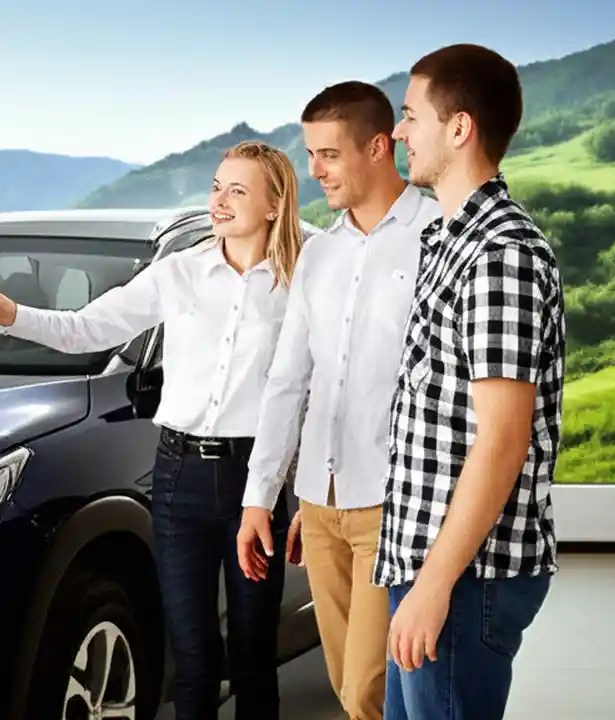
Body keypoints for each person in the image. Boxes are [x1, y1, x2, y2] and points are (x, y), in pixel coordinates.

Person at [0, 140, 303, 720]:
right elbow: (88, 327)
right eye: (216, 187)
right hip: (178, 478)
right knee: (193, 655)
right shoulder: (178, 272)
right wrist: (13, 315)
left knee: (254, 653)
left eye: (238, 190)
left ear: (275, 205)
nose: (221, 202)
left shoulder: (302, 276)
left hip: (256, 480)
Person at [235, 82, 440, 720]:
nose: (314, 170)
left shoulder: (438, 237)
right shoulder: (319, 254)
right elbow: (289, 380)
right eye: (311, 154)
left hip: (396, 503)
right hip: (320, 506)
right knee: (345, 686)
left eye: (328, 154)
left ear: (379, 147)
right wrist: (260, 497)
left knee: (368, 690)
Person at [379, 44, 564, 720]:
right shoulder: (452, 241)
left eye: (409, 116)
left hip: (462, 577)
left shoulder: (500, 256)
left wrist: (433, 584)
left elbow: (502, 440)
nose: (399, 132)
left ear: (459, 129)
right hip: (434, 568)